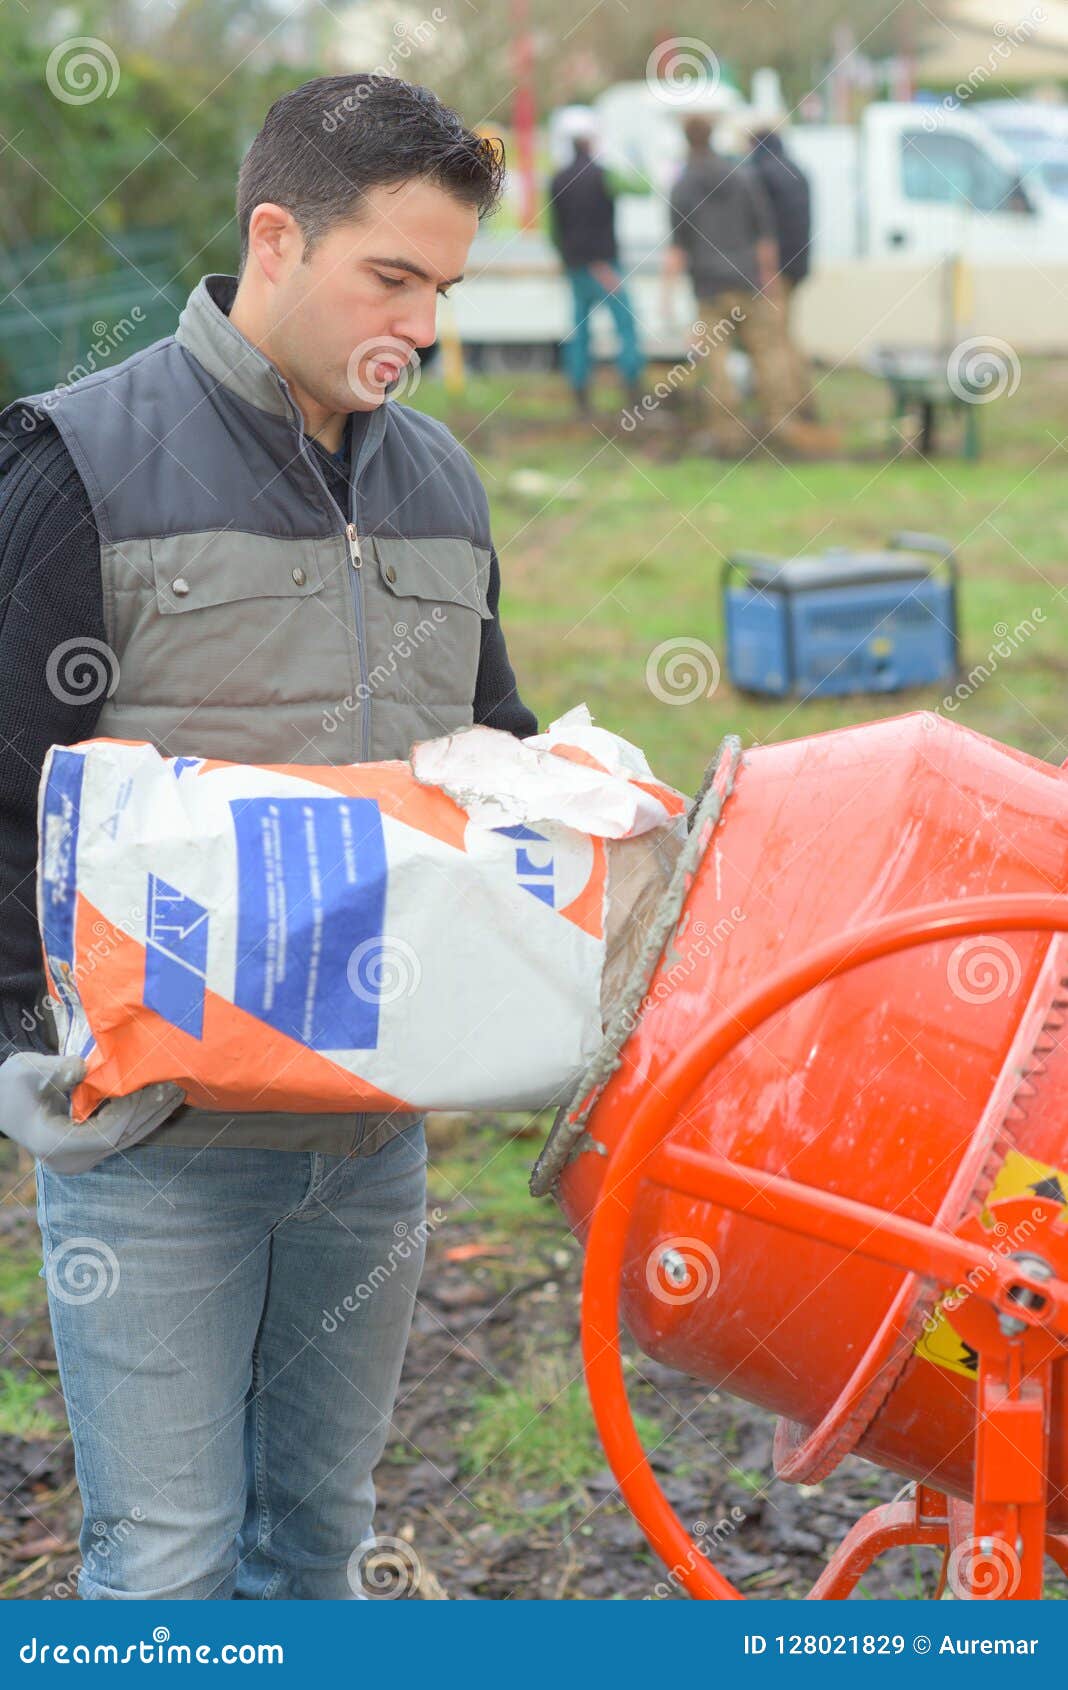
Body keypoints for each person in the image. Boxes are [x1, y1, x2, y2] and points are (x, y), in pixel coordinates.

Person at [0, 73, 537, 1600]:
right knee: (165, 1566)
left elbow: (487, 742)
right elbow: (1, 775)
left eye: (442, 286)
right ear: (278, 238)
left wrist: (591, 806)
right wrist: (21, 1047)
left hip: (370, 1143)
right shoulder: (77, 461)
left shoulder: (440, 481)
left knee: (318, 1550)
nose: (421, 325)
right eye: (395, 275)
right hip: (151, 1150)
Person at [663, 115, 827, 457]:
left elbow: (678, 249)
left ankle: (728, 435)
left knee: (716, 362)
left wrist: (666, 296)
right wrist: (768, 280)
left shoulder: (683, 186)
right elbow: (764, 236)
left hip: (709, 288)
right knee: (768, 352)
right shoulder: (743, 177)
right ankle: (780, 423)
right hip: (748, 281)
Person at [547, 122, 645, 416]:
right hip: (605, 267)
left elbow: (551, 230)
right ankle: (632, 388)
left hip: (576, 267)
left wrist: (566, 258)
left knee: (579, 330)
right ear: (591, 143)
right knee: (625, 324)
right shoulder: (605, 176)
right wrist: (637, 158)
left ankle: (580, 395)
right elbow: (643, 188)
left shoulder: (556, 179)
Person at [746, 126, 816, 419]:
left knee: (774, 339)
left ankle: (788, 405)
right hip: (799, 265)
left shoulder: (762, 175)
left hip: (776, 269)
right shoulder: (797, 171)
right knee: (786, 334)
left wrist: (765, 272)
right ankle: (803, 401)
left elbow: (765, 228)